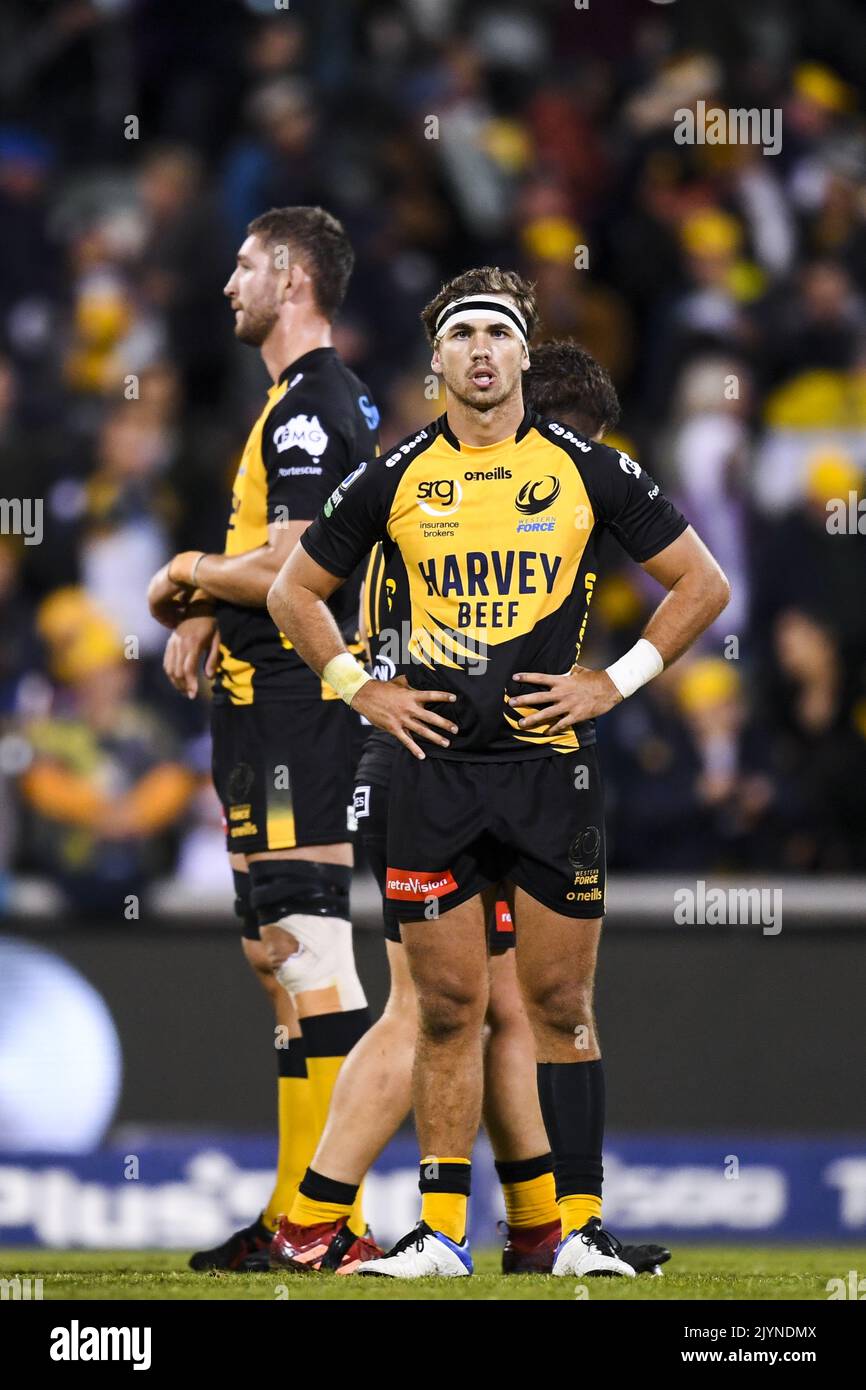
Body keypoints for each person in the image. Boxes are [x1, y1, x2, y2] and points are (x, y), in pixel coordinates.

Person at [268, 267, 730, 1278]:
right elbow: (296, 593)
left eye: (498, 334)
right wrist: (359, 687)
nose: (480, 350)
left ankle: (574, 1231)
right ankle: (439, 1235)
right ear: (433, 361)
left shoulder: (585, 467)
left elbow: (702, 583)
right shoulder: (391, 475)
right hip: (427, 769)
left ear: (524, 355)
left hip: (544, 773)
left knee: (558, 1005)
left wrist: (613, 682)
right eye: (462, 335)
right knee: (444, 1010)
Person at [146, 206, 381, 1270]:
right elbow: (279, 558)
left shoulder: (309, 410)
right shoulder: (301, 403)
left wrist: (191, 571)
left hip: (294, 703)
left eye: (243, 263)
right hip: (265, 698)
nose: (226, 283)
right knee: (277, 953)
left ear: (289, 276)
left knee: (311, 952)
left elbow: (295, 567)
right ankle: (300, 1205)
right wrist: (210, 604)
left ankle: (330, 1218)